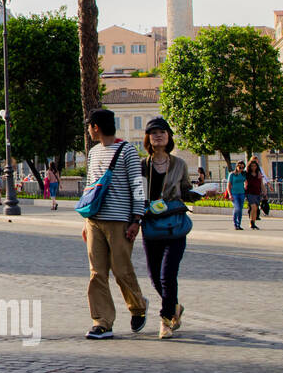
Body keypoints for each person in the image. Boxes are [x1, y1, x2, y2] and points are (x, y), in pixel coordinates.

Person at [80, 108, 149, 340]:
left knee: (121, 270)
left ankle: (138, 305)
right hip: (94, 220)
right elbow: (90, 187)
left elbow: (137, 186)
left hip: (120, 221)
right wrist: (85, 221)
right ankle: (102, 321)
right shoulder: (93, 153)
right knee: (96, 272)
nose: (88, 130)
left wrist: (137, 219)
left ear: (96, 127)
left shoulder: (127, 150)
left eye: (89, 126)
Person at [140, 117, 201, 340]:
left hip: (175, 226)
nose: (158, 135)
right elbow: (138, 195)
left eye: (162, 132)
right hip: (151, 225)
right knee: (154, 275)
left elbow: (185, 191)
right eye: (153, 132)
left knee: (168, 274)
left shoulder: (179, 164)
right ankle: (175, 306)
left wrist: (200, 193)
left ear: (169, 136)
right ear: (148, 138)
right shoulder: (142, 166)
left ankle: (166, 321)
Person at [226, 160, 248, 231]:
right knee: (237, 208)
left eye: (242, 167)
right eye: (240, 167)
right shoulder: (232, 174)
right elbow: (228, 185)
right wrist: (230, 194)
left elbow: (246, 181)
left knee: (240, 209)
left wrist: (245, 186)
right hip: (234, 193)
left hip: (241, 193)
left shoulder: (243, 174)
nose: (241, 169)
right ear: (237, 167)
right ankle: (235, 223)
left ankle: (239, 224)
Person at [244, 157, 266, 230]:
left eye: (255, 166)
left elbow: (261, 184)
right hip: (250, 192)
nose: (253, 167)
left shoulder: (259, 174)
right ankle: (251, 222)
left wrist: (264, 192)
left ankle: (253, 222)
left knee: (256, 208)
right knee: (253, 207)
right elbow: (243, 182)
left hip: (257, 192)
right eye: (252, 166)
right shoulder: (247, 174)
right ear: (249, 166)